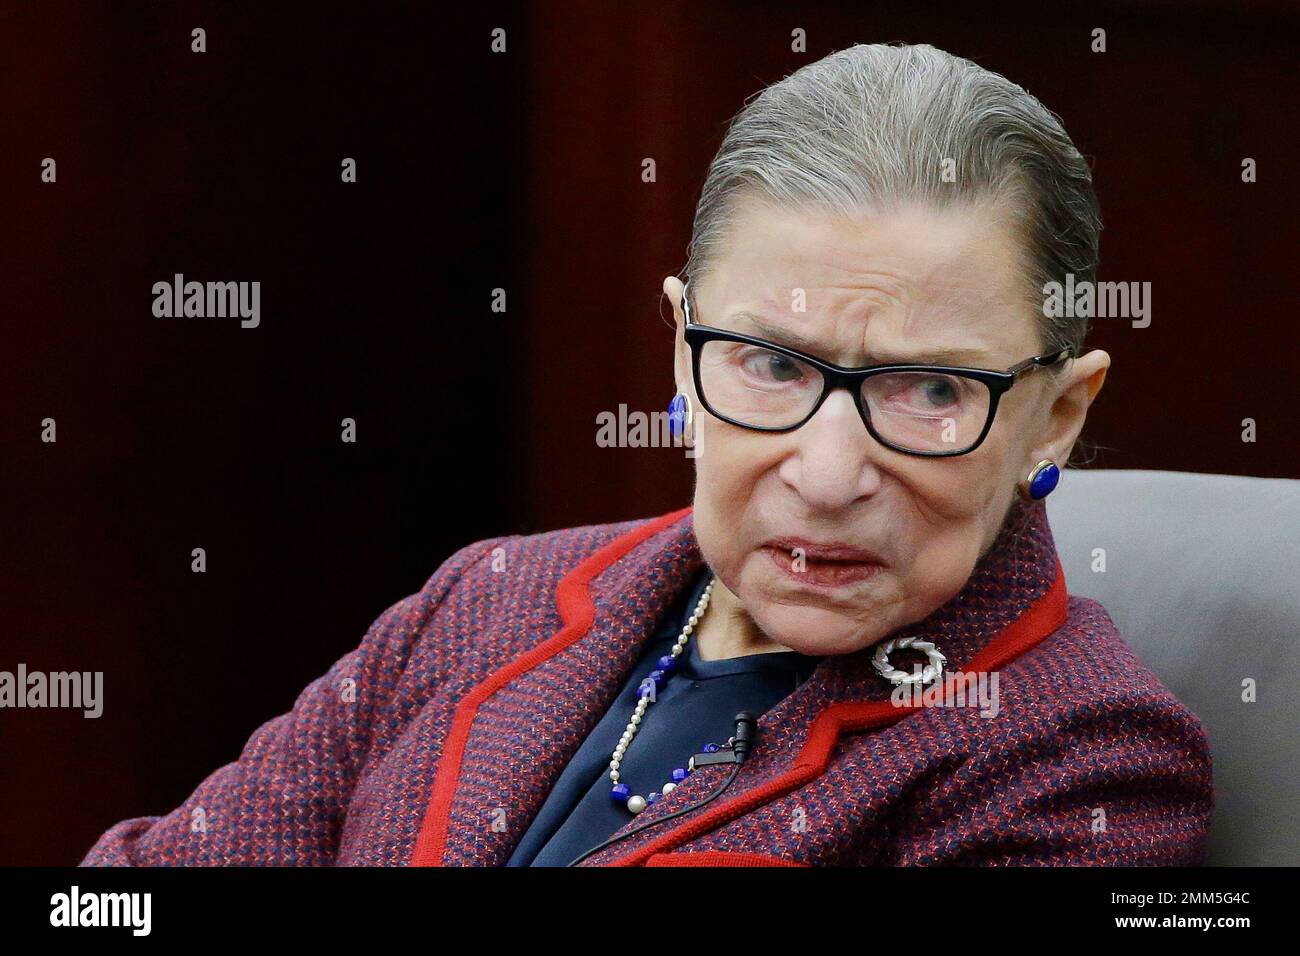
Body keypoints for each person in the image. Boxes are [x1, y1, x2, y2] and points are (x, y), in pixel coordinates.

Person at [81, 41, 1212, 867]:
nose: (825, 473)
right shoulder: (490, 598)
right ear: (680, 355)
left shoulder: (1077, 762)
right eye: (770, 366)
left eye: (928, 390)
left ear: (1054, 416)